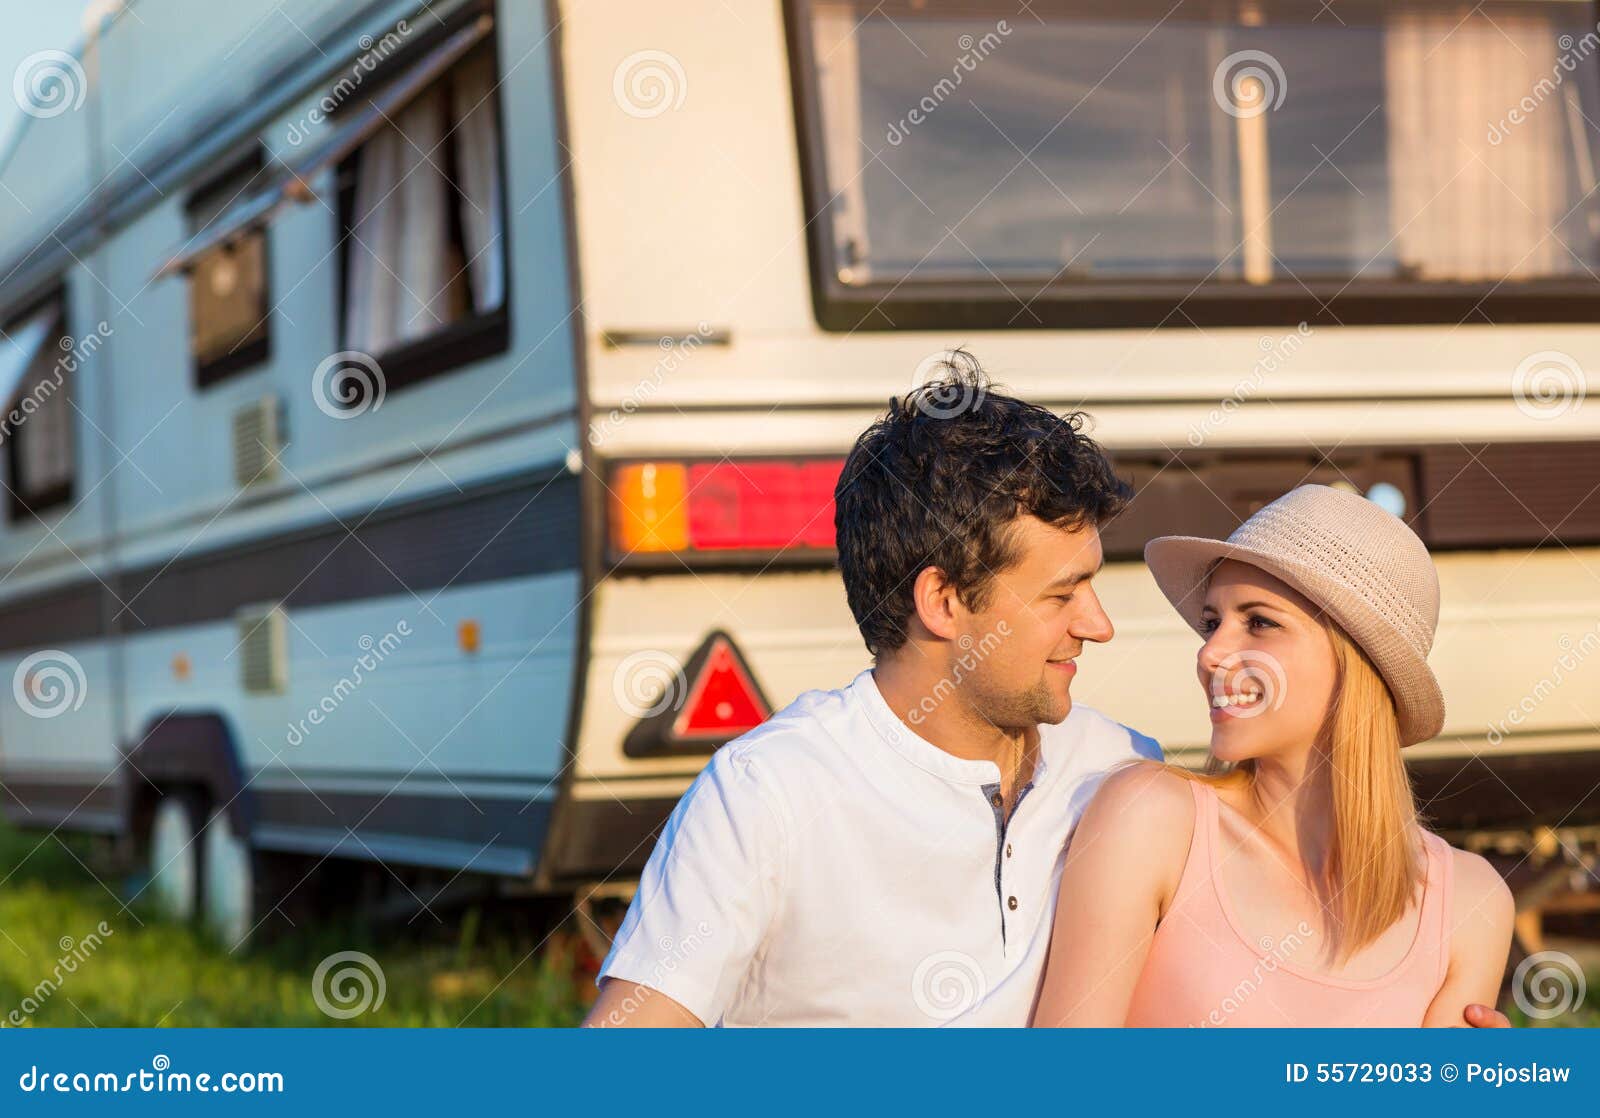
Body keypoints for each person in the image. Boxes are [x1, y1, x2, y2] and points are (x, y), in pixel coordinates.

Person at [1032, 485, 1515, 1027]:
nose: (1210, 653)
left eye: (1259, 622)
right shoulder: (1152, 818)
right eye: (1212, 623)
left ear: (1358, 661)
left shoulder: (1471, 902)